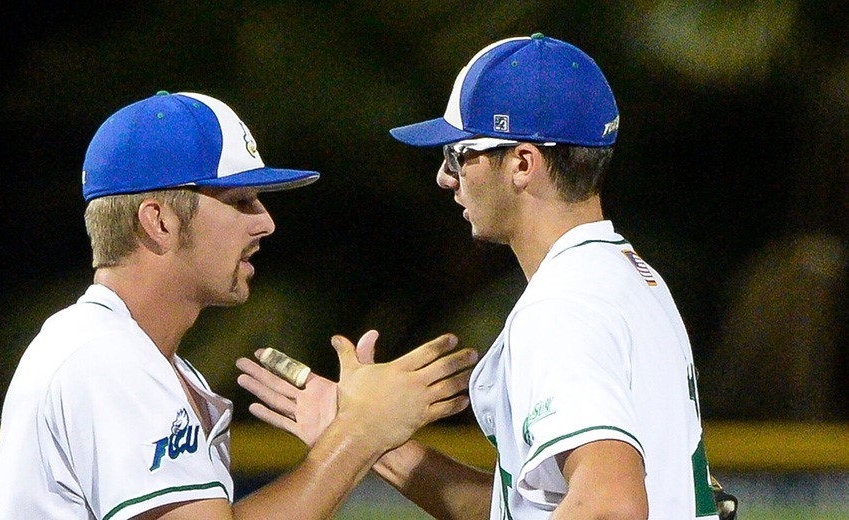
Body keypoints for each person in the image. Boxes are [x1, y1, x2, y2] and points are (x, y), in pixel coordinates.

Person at [238, 34, 726, 518]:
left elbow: (610, 508)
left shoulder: (563, 305)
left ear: (521, 163)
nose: (445, 177)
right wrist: (363, 437)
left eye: (459, 155)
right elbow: (528, 508)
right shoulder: (630, 278)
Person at [0, 91, 477, 520]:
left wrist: (357, 436)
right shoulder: (105, 358)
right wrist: (359, 436)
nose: (265, 223)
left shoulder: (133, 355)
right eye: (241, 201)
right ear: (159, 222)